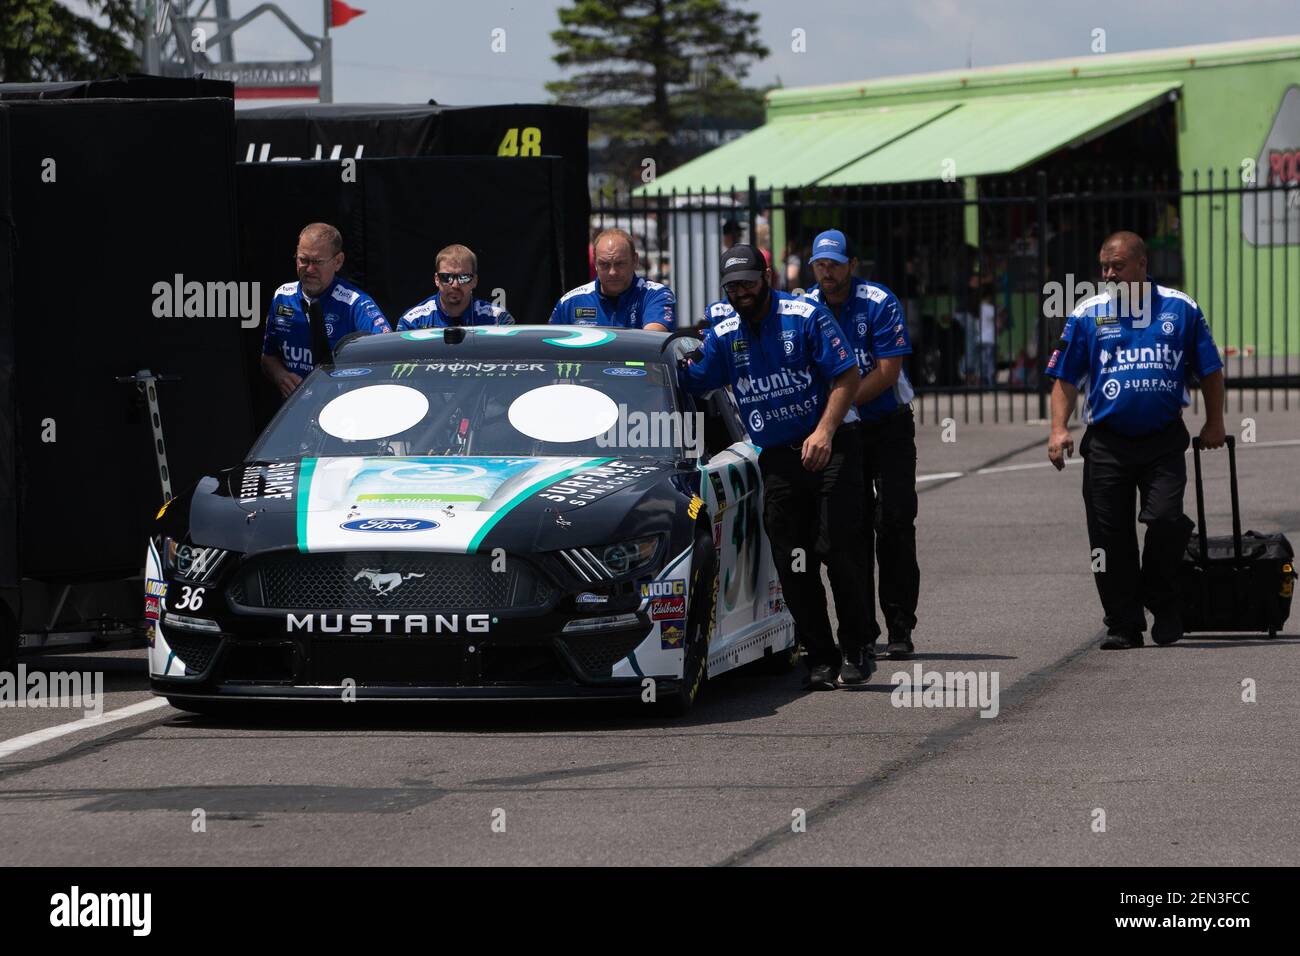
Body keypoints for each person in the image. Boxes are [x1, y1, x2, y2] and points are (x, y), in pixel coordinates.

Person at [683, 244, 871, 690]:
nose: (741, 292)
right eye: (732, 286)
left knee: (839, 550)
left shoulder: (805, 315)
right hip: (779, 457)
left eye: (748, 282)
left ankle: (857, 647)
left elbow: (847, 377)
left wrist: (824, 432)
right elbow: (691, 376)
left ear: (765, 276)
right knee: (794, 561)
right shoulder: (725, 333)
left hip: (832, 444)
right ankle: (820, 656)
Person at [1047, 230, 1225, 650]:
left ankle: (1163, 601)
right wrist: (1058, 429)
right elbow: (1065, 379)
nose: (1109, 275)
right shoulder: (1088, 312)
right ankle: (1123, 623)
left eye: (1118, 267)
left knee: (1165, 520)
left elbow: (1210, 369)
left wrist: (1215, 422)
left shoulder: (1180, 309)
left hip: (1162, 441)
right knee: (1109, 539)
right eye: (1104, 267)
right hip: (1107, 443)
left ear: (1142, 265)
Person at [803, 229, 921, 659]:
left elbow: (888, 371)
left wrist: (840, 403)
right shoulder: (806, 307)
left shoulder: (878, 302)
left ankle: (900, 624)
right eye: (820, 264)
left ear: (852, 265)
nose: (827, 272)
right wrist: (833, 418)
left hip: (885, 424)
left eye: (835, 263)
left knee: (894, 522)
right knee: (846, 533)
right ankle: (861, 631)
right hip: (840, 432)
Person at [261, 222, 389, 398]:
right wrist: (281, 376)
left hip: (342, 412)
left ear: (338, 262)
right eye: (303, 260)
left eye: (318, 262)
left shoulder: (356, 304)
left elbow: (387, 356)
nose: (310, 269)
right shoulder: (282, 296)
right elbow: (268, 356)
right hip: (295, 409)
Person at [550, 228, 674, 331]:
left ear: (635, 260)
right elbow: (551, 349)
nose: (612, 272)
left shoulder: (654, 294)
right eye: (604, 264)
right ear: (595, 264)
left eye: (620, 264)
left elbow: (651, 341)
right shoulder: (570, 302)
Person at [396, 244, 514, 330]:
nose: (455, 285)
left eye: (464, 277)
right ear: (436, 280)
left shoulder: (498, 318)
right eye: (447, 277)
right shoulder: (413, 322)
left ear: (475, 281)